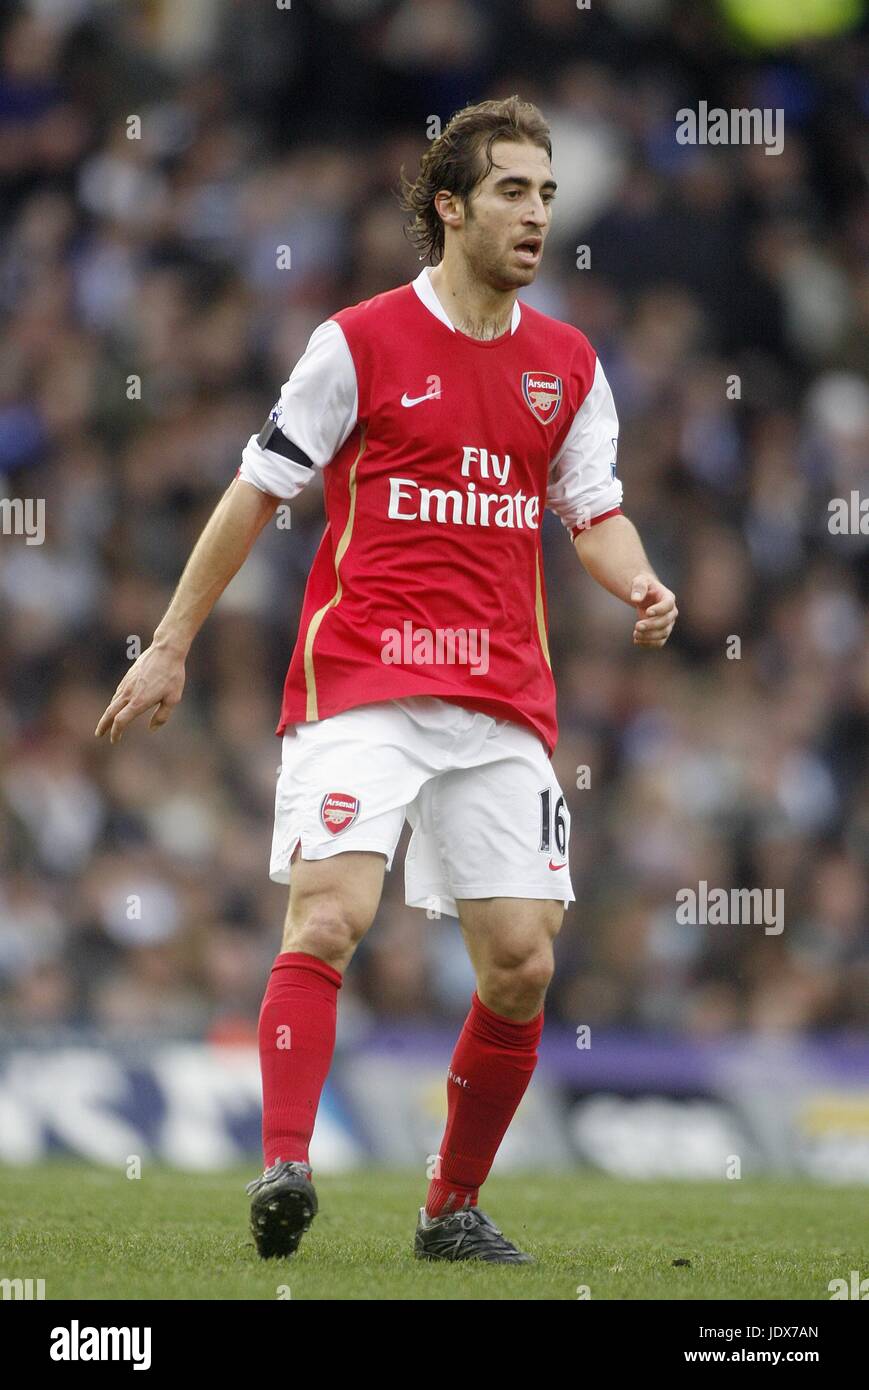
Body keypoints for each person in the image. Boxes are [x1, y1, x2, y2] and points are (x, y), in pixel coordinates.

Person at [95, 95, 677, 1263]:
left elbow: (593, 513)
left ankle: (448, 1208)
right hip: (362, 678)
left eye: (547, 194)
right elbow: (254, 493)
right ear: (449, 206)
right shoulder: (356, 342)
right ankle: (286, 1164)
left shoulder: (565, 365)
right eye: (512, 190)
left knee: (521, 961)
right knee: (330, 912)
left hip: (503, 697)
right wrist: (169, 640)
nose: (536, 215)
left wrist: (640, 580)